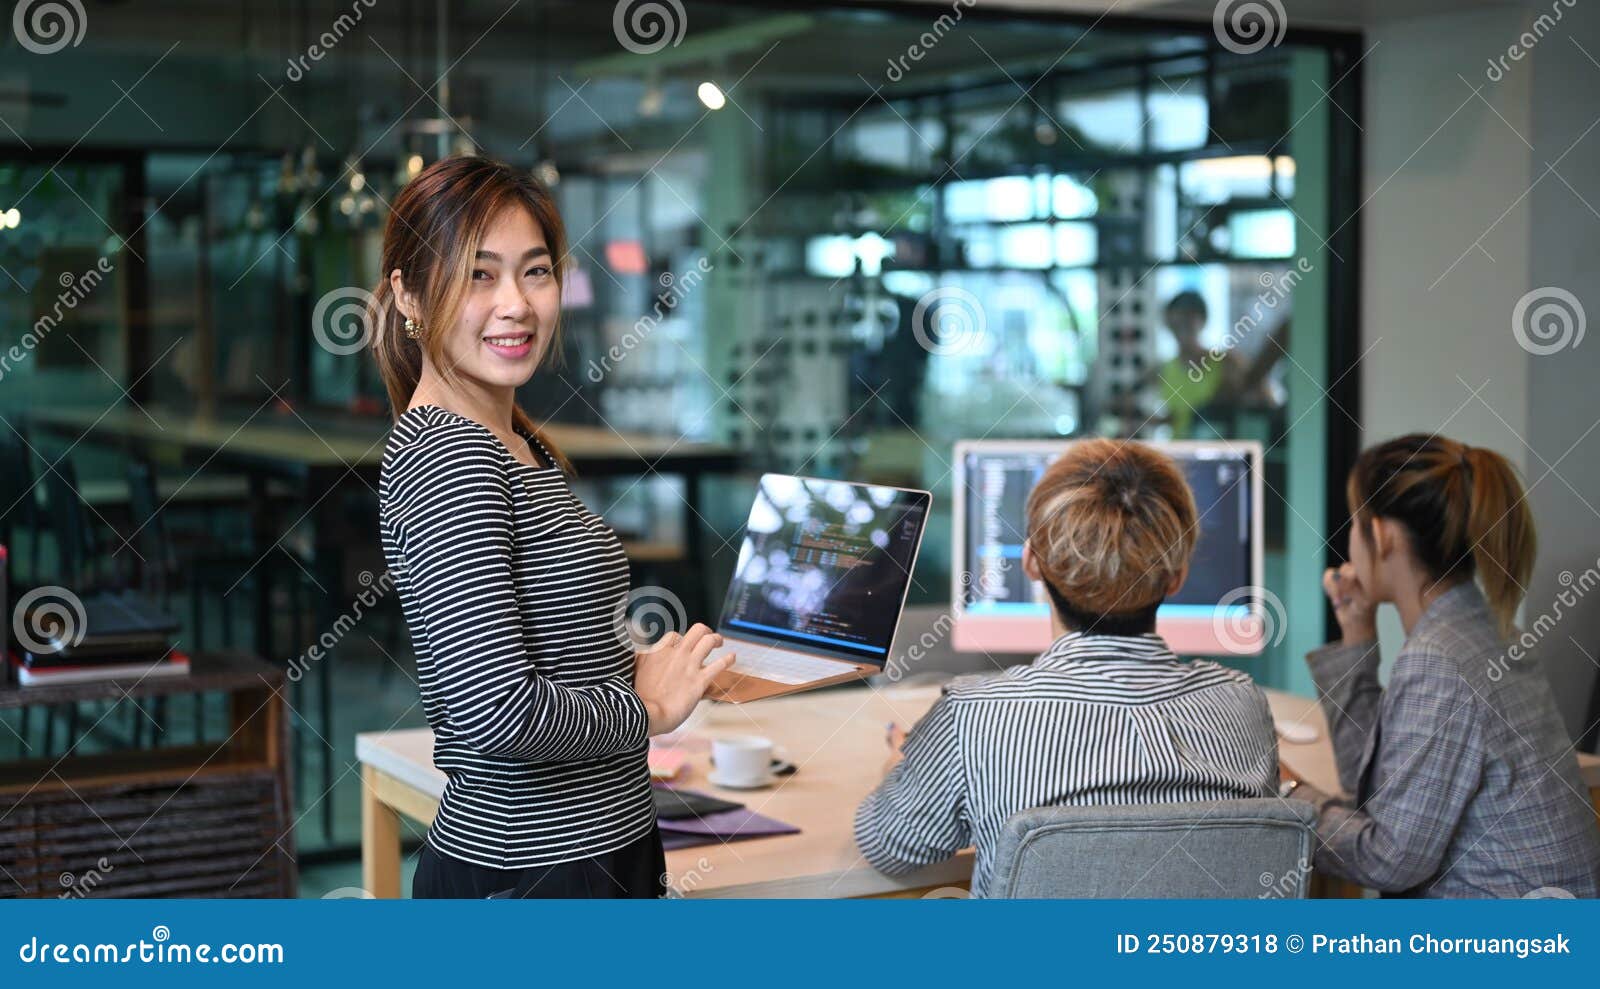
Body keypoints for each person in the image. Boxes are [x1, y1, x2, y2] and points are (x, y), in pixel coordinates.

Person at [369, 155, 735, 898]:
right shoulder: (448, 457)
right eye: (478, 274)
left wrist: (640, 664)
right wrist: (650, 708)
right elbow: (498, 712)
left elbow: (542, 651)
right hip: (532, 877)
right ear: (407, 293)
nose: (516, 304)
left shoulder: (517, 438)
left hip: (597, 854)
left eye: (535, 272)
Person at [854, 438, 1278, 896]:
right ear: (1178, 575)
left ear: (1032, 561)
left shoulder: (971, 716)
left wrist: (903, 762)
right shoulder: (1243, 704)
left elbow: (891, 848)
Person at [1287, 434, 1600, 897]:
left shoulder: (1440, 661)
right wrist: (1357, 632)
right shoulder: (1484, 629)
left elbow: (1388, 859)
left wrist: (1289, 795)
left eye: (1353, 521)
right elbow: (1375, 794)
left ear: (1382, 535)